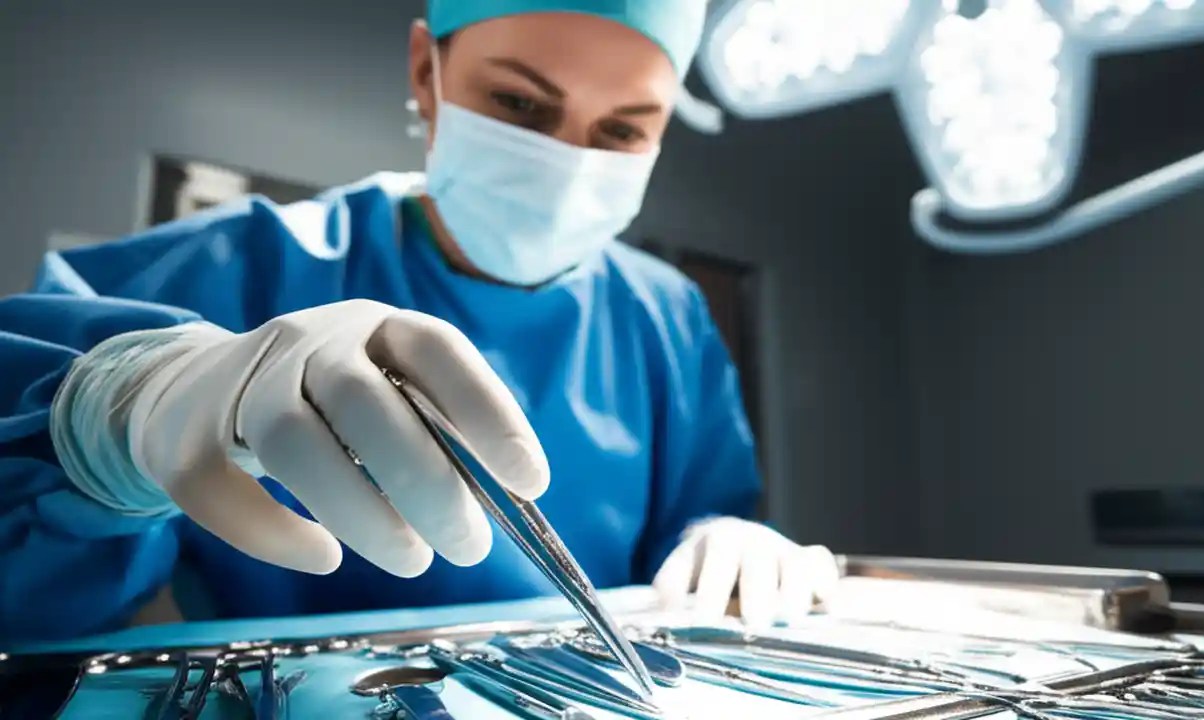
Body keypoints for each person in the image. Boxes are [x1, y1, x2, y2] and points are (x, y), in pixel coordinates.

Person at [0, 0, 838, 643]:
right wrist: (108, 421)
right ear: (425, 72)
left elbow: (697, 513)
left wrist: (726, 541)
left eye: (623, 129)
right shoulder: (239, 265)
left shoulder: (667, 313)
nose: (569, 164)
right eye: (518, 102)